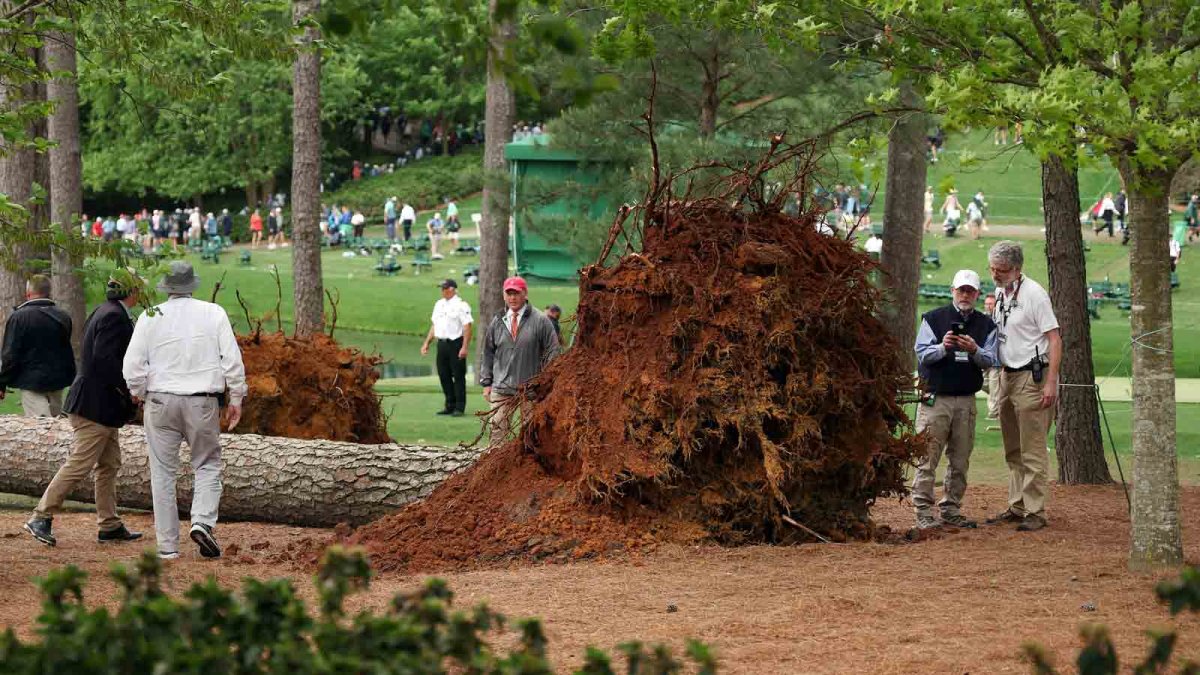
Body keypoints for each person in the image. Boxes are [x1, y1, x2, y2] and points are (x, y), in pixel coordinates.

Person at [122, 261, 246, 560]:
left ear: (167, 287)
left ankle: (167, 546)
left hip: (161, 400)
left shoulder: (150, 317)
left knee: (162, 473)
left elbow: (132, 365)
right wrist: (237, 397)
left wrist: (138, 392)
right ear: (192, 286)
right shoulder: (213, 313)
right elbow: (232, 359)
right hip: (201, 400)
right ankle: (202, 521)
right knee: (207, 463)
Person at [23, 272, 144, 547]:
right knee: (80, 463)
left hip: (99, 405)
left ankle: (109, 525)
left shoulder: (105, 310)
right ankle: (41, 515)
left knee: (109, 464)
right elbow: (105, 360)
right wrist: (131, 389)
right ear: (131, 292)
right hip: (95, 405)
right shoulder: (115, 316)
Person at [911, 269, 998, 530]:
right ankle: (923, 509)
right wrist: (943, 347)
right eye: (961, 290)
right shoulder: (934, 319)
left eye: (970, 291)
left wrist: (974, 350)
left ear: (977, 294)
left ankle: (951, 507)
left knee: (960, 459)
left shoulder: (986, 325)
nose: (965, 295)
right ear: (952, 291)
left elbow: (992, 359)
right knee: (927, 456)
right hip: (935, 398)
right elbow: (922, 354)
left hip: (966, 399)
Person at [984, 241, 1062, 533]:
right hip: (1006, 375)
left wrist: (1051, 382)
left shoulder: (1035, 295)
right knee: (1012, 447)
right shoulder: (1001, 292)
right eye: (992, 268)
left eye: (1001, 270)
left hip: (1032, 376)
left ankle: (1035, 510)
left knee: (1032, 448)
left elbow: (1054, 338)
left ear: (1017, 269)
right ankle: (1017, 505)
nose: (995, 274)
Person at [479, 277, 559, 446]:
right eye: (509, 293)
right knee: (497, 430)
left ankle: (529, 469)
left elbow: (553, 351)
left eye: (516, 293)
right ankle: (496, 469)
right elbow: (487, 353)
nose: (512, 298)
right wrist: (487, 382)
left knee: (531, 434)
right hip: (501, 388)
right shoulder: (498, 320)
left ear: (525, 294)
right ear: (504, 295)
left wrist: (544, 381)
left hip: (531, 390)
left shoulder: (541, 320)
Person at [0, 275, 75, 417]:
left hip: (31, 383)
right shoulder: (63, 316)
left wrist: (2, 382)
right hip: (57, 381)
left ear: (28, 293)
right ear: (49, 292)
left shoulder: (19, 317)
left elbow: (10, 354)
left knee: (41, 427)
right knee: (56, 424)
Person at [420, 279, 474, 417]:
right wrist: (427, 343)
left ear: (452, 289)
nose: (442, 291)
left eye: (444, 288)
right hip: (442, 344)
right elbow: (434, 325)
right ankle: (449, 405)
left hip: (456, 343)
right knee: (443, 375)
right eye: (441, 288)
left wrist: (464, 347)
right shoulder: (439, 304)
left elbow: (467, 327)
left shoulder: (461, 305)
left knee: (458, 376)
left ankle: (459, 407)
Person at [982, 293, 1002, 424]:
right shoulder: (981, 319)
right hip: (983, 358)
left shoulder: (1000, 319)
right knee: (983, 384)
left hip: (996, 360)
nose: (989, 306)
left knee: (994, 387)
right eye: (987, 303)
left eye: (991, 304)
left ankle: (994, 413)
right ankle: (1002, 399)